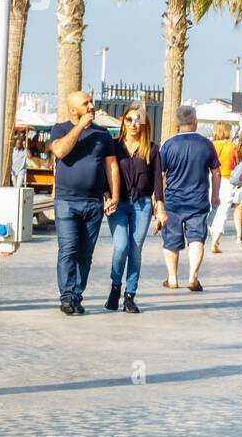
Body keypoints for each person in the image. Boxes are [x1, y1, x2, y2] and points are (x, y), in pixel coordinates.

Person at [50, 90, 120, 316]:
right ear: (73, 110)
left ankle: (77, 295)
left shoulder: (103, 134)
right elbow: (60, 151)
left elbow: (111, 166)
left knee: (85, 253)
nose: (91, 106)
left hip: (93, 203)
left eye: (91, 102)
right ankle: (67, 296)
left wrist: (115, 195)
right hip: (66, 202)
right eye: (85, 103)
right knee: (68, 249)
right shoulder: (59, 129)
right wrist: (80, 127)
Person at [156, 105, 220, 291]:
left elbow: (160, 175)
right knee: (196, 239)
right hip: (198, 201)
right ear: (195, 121)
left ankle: (172, 278)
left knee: (171, 241)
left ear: (177, 122)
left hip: (173, 202)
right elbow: (216, 172)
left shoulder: (168, 145)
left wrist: (158, 199)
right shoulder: (206, 144)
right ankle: (193, 277)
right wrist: (215, 195)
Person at [105, 107, 161, 314]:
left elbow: (157, 181)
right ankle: (115, 286)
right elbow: (105, 173)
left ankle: (129, 295)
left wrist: (160, 207)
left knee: (135, 249)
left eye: (138, 120)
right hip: (118, 204)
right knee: (121, 246)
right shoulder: (113, 146)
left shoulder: (152, 149)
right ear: (123, 122)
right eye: (129, 119)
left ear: (144, 124)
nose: (133, 124)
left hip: (142, 204)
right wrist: (106, 195)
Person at [209, 123, 238, 253]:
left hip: (211, 178)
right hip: (227, 179)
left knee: (212, 208)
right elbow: (237, 163)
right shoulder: (232, 147)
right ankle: (215, 241)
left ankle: (211, 230)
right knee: (223, 210)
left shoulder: (210, 146)